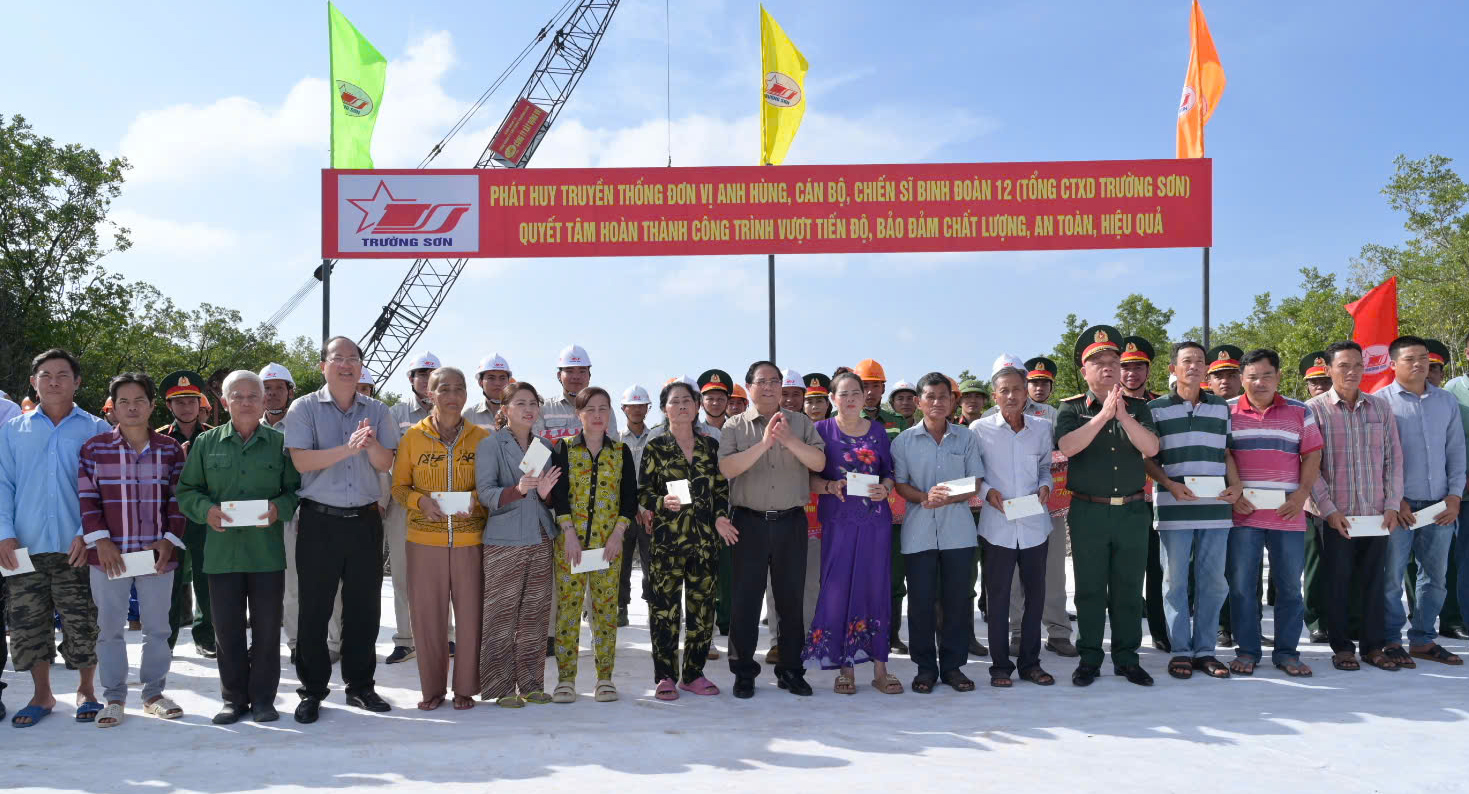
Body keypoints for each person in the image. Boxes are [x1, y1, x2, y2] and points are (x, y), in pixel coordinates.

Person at [284, 335, 400, 723]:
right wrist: (348, 449)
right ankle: (312, 690)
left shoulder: (377, 410)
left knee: (364, 609)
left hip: (365, 521)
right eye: (338, 358)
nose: (347, 364)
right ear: (324, 366)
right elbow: (301, 462)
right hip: (319, 521)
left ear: (361, 366)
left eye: (354, 358)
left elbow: (385, 463)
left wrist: (370, 447)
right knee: (314, 610)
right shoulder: (304, 408)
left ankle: (361, 686)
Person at [177, 370, 302, 723]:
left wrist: (279, 508)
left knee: (266, 631)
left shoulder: (281, 444)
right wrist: (206, 510)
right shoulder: (206, 443)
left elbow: (295, 489)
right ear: (224, 401)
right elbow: (187, 491)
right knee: (227, 630)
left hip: (266, 554)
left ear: (263, 401)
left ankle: (263, 699)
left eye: (253, 396)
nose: (246, 402)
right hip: (222, 555)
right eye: (238, 396)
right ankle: (233, 699)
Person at [0, 348, 110, 726]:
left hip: (77, 546)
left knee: (83, 621)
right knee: (28, 624)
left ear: (77, 382)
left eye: (63, 375)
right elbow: (3, 485)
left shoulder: (96, 429)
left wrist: (87, 533)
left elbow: (104, 488)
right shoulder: (13, 430)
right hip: (23, 547)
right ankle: (42, 695)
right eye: (45, 375)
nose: (54, 382)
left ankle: (87, 690)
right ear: (34, 382)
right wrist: (4, 535)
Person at [78, 372, 188, 727]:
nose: (131, 408)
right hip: (108, 557)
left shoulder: (169, 450)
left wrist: (169, 540)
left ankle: (153, 694)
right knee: (110, 629)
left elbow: (178, 500)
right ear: (112, 407)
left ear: (152, 405)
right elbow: (87, 498)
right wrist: (101, 540)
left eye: (139, 400)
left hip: (156, 556)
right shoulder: (95, 449)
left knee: (157, 629)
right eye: (123, 401)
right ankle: (114, 697)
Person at [1054, 326, 1161, 687]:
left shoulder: (1140, 408)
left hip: (1132, 511)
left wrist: (1123, 415)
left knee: (1129, 588)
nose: (1108, 367)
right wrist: (1103, 416)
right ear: (1084, 371)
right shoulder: (1071, 408)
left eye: (1114, 361)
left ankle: (1127, 657)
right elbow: (1067, 447)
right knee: (1089, 589)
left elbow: (1151, 448)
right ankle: (1089, 657)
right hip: (1089, 511)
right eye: (1098, 362)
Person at [719, 361, 826, 698]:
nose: (768, 387)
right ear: (749, 387)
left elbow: (819, 462)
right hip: (748, 523)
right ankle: (743, 671)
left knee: (790, 600)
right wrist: (764, 444)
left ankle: (791, 669)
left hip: (791, 522)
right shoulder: (735, 425)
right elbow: (727, 468)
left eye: (774, 381)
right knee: (745, 601)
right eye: (761, 381)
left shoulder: (800, 423)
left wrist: (789, 440)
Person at [391, 366, 489, 710]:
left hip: (469, 541)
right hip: (424, 542)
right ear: (429, 394)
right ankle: (432, 690)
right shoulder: (412, 438)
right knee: (427, 619)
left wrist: (475, 499)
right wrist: (421, 502)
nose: (452, 395)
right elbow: (399, 487)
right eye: (444, 389)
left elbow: (490, 486)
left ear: (466, 395)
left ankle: (465, 688)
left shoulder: (481, 438)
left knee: (471, 617)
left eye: (459, 389)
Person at [1143, 342, 1240, 679]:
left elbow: (1226, 453)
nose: (1195, 366)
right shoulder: (1155, 409)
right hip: (1175, 507)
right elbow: (1148, 459)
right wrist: (1169, 485)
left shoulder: (1221, 407)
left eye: (1200, 361)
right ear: (1173, 368)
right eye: (1187, 361)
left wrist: (1237, 485)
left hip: (1216, 508)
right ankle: (1181, 650)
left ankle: (1205, 651)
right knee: (1174, 583)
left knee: (1213, 582)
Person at [801, 372, 900, 694]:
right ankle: (845, 667)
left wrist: (886, 488)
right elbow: (807, 477)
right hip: (838, 522)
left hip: (875, 522)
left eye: (856, 392)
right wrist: (830, 486)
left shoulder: (878, 431)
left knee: (876, 588)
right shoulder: (821, 430)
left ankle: (881, 668)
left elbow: (889, 472)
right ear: (833, 399)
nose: (851, 399)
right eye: (843, 394)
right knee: (838, 588)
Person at [1308, 341, 1404, 672]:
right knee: (1337, 582)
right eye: (1344, 365)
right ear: (1328, 369)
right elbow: (1309, 466)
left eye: (1358, 365)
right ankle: (1342, 647)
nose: (1352, 372)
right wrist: (1328, 509)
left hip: (1376, 514)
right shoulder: (1313, 410)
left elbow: (1393, 459)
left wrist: (1392, 504)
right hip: (1335, 515)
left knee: (1373, 582)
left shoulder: (1380, 408)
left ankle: (1373, 646)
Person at [1227, 349, 1323, 677]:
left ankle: (1287, 653)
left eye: (1267, 375)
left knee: (1290, 588)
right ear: (1242, 379)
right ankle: (1247, 650)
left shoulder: (1299, 411)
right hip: (1244, 514)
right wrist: (1235, 490)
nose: (1260, 382)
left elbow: (1312, 454)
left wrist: (1302, 495)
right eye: (1252, 377)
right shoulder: (1226, 411)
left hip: (1288, 512)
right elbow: (1224, 454)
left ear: (1278, 376)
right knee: (1242, 587)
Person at [639, 380, 737, 699]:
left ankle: (693, 674)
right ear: (664, 408)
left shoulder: (710, 447)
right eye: (674, 401)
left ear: (697, 407)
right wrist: (659, 502)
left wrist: (720, 516)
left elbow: (721, 490)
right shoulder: (656, 447)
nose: (682, 405)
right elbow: (643, 491)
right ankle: (665, 676)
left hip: (705, 543)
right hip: (667, 543)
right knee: (664, 612)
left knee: (702, 611)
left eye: (687, 400)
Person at [892, 373, 983, 693]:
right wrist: (923, 498)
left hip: (959, 532)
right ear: (918, 402)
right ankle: (925, 669)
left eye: (943, 396)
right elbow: (900, 484)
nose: (937, 402)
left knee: (956, 601)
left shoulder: (966, 438)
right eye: (930, 397)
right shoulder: (903, 442)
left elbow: (975, 482)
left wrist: (946, 496)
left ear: (952, 401)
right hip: (918, 532)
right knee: (921, 603)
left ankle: (954, 667)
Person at [474, 381, 562, 707]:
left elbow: (548, 497)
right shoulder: (490, 445)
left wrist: (546, 495)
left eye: (533, 403)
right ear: (505, 409)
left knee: (536, 615)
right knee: (501, 615)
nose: (529, 409)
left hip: (540, 537)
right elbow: (485, 494)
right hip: (504, 540)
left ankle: (531, 684)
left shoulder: (543, 446)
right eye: (521, 403)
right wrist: (518, 490)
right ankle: (499, 687)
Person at [1379, 336, 1465, 666]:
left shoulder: (1446, 401)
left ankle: (1423, 639)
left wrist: (1454, 497)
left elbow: (1456, 452)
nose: (1418, 364)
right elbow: (1378, 458)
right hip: (1397, 507)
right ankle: (1390, 639)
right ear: (1393, 364)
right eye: (1410, 358)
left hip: (1439, 506)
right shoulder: (1380, 402)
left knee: (1435, 578)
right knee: (1391, 578)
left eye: (1423, 358)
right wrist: (1394, 499)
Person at [547, 387, 636, 703]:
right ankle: (565, 680)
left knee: (605, 613)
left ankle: (605, 678)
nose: (597, 415)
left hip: (607, 547)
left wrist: (618, 534)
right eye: (590, 409)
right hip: (570, 546)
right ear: (579, 414)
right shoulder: (564, 448)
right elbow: (558, 495)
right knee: (568, 612)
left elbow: (629, 498)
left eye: (603, 408)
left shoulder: (621, 452)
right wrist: (568, 532)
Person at [973, 364, 1056, 687]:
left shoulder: (1042, 428)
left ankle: (1031, 663)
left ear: (1026, 394)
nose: (1011, 396)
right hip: (998, 526)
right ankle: (999, 666)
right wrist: (987, 492)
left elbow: (1046, 467)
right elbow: (974, 474)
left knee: (1035, 597)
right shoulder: (979, 429)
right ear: (995, 396)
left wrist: (1046, 485)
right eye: (1004, 390)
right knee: (998, 598)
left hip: (1035, 525)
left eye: (1017, 389)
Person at [992, 356, 1078, 658]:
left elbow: (1060, 456)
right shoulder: (988, 421)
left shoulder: (1050, 415)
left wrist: (1048, 483)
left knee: (1053, 572)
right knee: (1014, 578)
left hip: (1047, 506)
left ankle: (1058, 632)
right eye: (1004, 383)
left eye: (1018, 381)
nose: (1012, 392)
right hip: (1006, 511)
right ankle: (1018, 632)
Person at [261, 363, 343, 665]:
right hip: (265, 518)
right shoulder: (253, 428)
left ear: (290, 392)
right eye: (266, 389)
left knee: (326, 582)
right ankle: (296, 643)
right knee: (289, 587)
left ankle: (335, 641)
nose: (272, 394)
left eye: (278, 388)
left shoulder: (305, 421)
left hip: (305, 513)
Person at [383, 351, 441, 666]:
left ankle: (446, 637)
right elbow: (387, 461)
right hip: (403, 502)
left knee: (443, 574)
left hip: (443, 503)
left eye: (432, 374)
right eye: (421, 374)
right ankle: (406, 640)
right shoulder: (395, 413)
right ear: (411, 378)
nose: (427, 379)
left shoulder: (453, 411)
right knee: (403, 574)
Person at [158, 370, 216, 657]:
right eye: (179, 402)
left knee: (208, 581)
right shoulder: (159, 438)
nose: (186, 407)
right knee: (169, 581)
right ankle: (166, 640)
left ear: (200, 403)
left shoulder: (215, 436)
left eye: (191, 401)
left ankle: (206, 637)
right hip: (171, 520)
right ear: (169, 405)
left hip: (206, 519)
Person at [1298, 351, 1335, 643]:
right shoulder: (1302, 411)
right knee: (1317, 563)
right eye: (1314, 382)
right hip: (1312, 501)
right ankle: (1316, 621)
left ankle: (1349, 619)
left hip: (1349, 499)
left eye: (1324, 380)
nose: (1320, 386)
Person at [617, 385, 656, 627]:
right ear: (624, 408)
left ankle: (653, 605)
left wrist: (644, 507)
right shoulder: (616, 439)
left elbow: (655, 477)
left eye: (642, 405)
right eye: (632, 406)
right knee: (620, 564)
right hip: (622, 511)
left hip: (648, 511)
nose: (637, 410)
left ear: (647, 408)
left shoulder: (655, 437)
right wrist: (632, 508)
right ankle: (621, 607)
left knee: (651, 562)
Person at [535, 344, 618, 442]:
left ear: (589, 375)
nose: (576, 376)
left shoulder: (604, 410)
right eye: (569, 371)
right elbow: (537, 448)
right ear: (559, 375)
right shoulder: (544, 409)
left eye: (582, 371)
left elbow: (612, 446)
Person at [466, 354, 512, 429]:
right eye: (491, 378)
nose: (497, 383)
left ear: (508, 382)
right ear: (480, 382)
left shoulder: (522, 414)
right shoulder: (469, 415)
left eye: (502, 378)